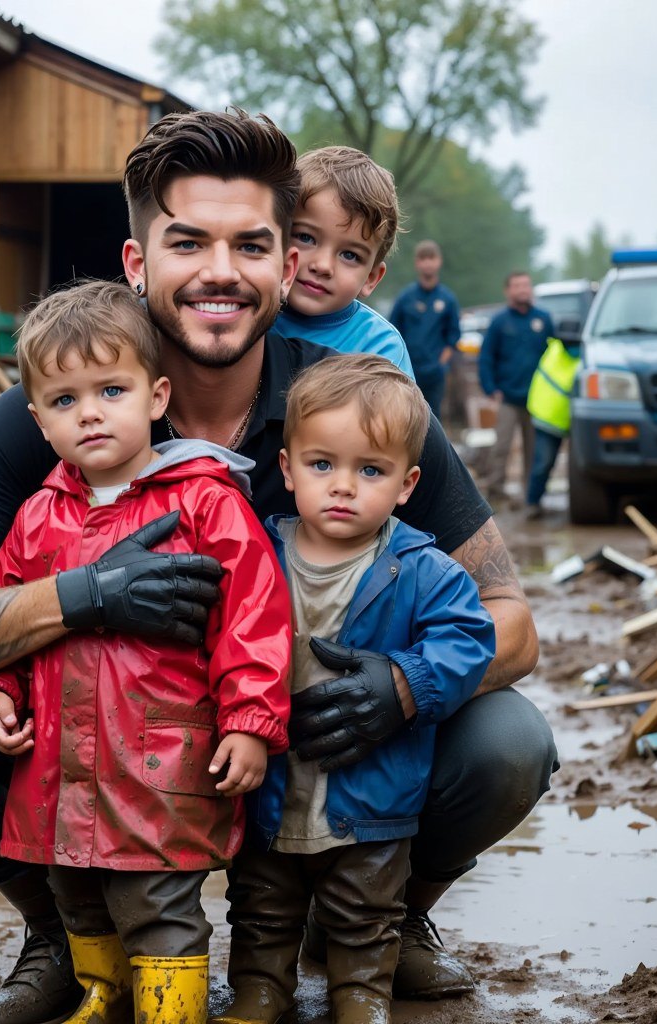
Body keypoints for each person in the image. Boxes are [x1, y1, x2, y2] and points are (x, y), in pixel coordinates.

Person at [0, 108, 557, 1024]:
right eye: (188, 242)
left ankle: (379, 922)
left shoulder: (357, 411)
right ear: (138, 262)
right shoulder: (61, 412)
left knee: (509, 743)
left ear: (286, 265)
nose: (221, 271)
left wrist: (400, 687)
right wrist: (82, 596)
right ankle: (63, 936)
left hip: (317, 755)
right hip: (106, 752)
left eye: (251, 245)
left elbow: (513, 624)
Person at [0, 280, 292, 1024]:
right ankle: (103, 995)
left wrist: (249, 720)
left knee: (156, 896)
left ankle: (171, 1010)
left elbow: (254, 617)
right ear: (39, 420)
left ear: (156, 396)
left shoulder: (204, 501)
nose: (90, 412)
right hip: (59, 760)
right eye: (65, 399)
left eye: (111, 390)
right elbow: (4, 613)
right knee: (74, 889)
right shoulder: (36, 516)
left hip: (159, 757)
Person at [213, 355, 495, 1024]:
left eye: (370, 471)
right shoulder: (256, 554)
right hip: (272, 783)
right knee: (261, 903)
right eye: (322, 465)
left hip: (371, 789)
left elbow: (469, 641)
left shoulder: (422, 569)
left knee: (366, 909)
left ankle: (361, 998)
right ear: (287, 470)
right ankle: (260, 991)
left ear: (407, 484)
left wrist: (407, 681)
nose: (342, 486)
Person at [273, 146, 414, 377]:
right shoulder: (250, 313)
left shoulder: (379, 349)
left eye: (350, 255)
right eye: (305, 237)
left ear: (371, 278)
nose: (323, 266)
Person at [477, 272, 555, 505]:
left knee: (534, 450)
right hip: (507, 396)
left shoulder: (543, 320)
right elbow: (486, 357)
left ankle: (531, 496)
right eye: (517, 285)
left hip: (537, 399)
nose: (523, 289)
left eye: (526, 285)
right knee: (501, 447)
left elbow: (555, 355)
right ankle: (495, 491)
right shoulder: (499, 322)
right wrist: (490, 388)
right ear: (508, 291)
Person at [389, 240, 461, 418]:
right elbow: (392, 332)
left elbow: (453, 337)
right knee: (407, 417)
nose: (428, 263)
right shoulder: (405, 298)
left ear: (439, 261)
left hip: (435, 373)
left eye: (432, 258)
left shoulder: (448, 299)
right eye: (423, 258)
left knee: (433, 419)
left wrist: (440, 364)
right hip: (407, 371)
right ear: (417, 263)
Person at [524, 325, 582, 520]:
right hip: (548, 418)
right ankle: (533, 503)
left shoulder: (588, 356)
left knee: (581, 467)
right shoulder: (554, 351)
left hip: (577, 421)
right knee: (543, 463)